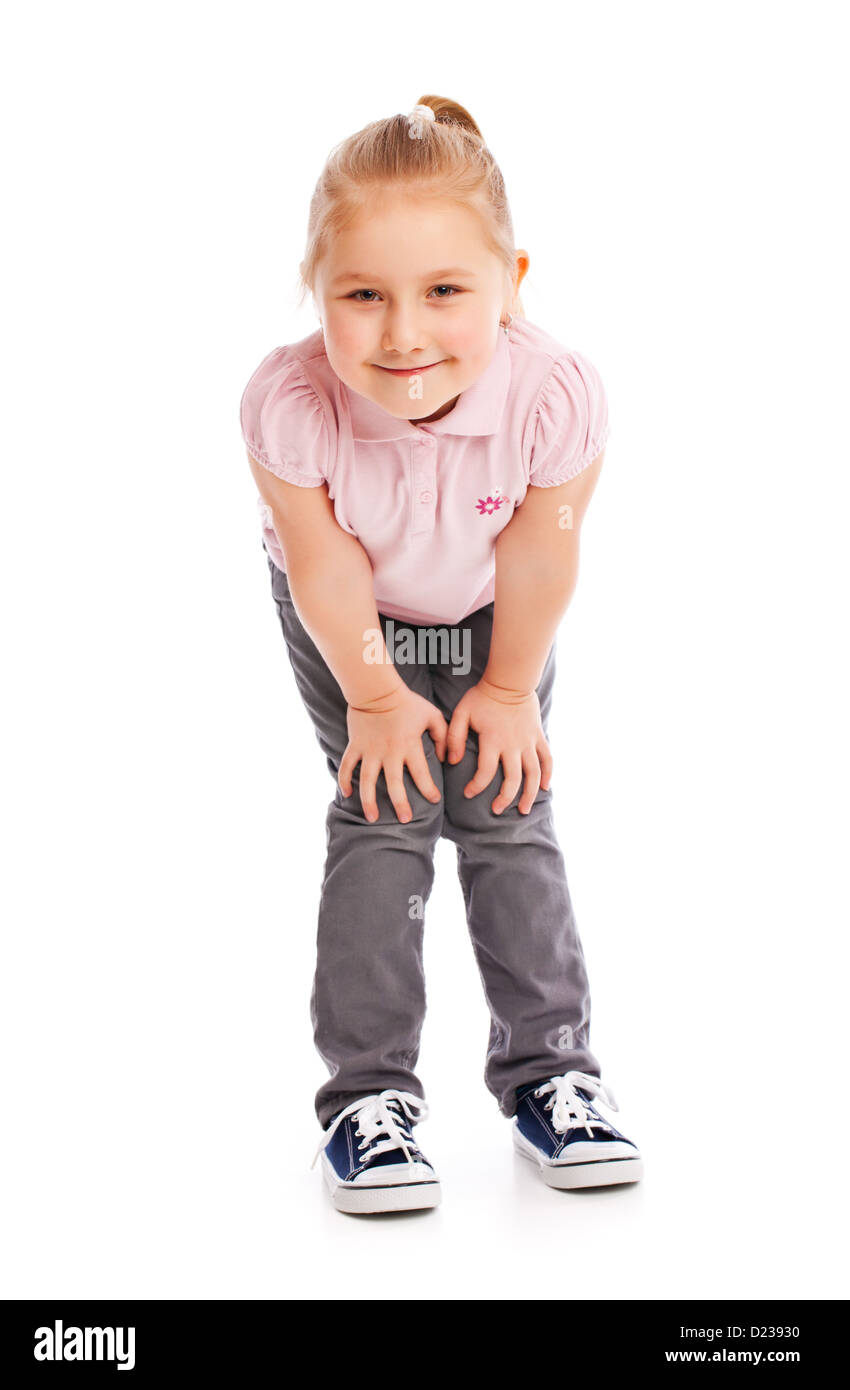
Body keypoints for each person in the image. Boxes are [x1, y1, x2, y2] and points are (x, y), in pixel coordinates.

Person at [239, 95, 644, 1215]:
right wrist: (374, 698)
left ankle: (550, 1071)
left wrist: (508, 687)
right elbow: (322, 568)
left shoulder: (551, 394)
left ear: (511, 280)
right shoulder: (289, 403)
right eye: (359, 296)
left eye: (445, 292)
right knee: (385, 818)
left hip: (490, 611)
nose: (402, 333)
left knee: (506, 814)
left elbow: (540, 549)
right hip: (351, 620)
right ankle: (367, 1100)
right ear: (316, 292)